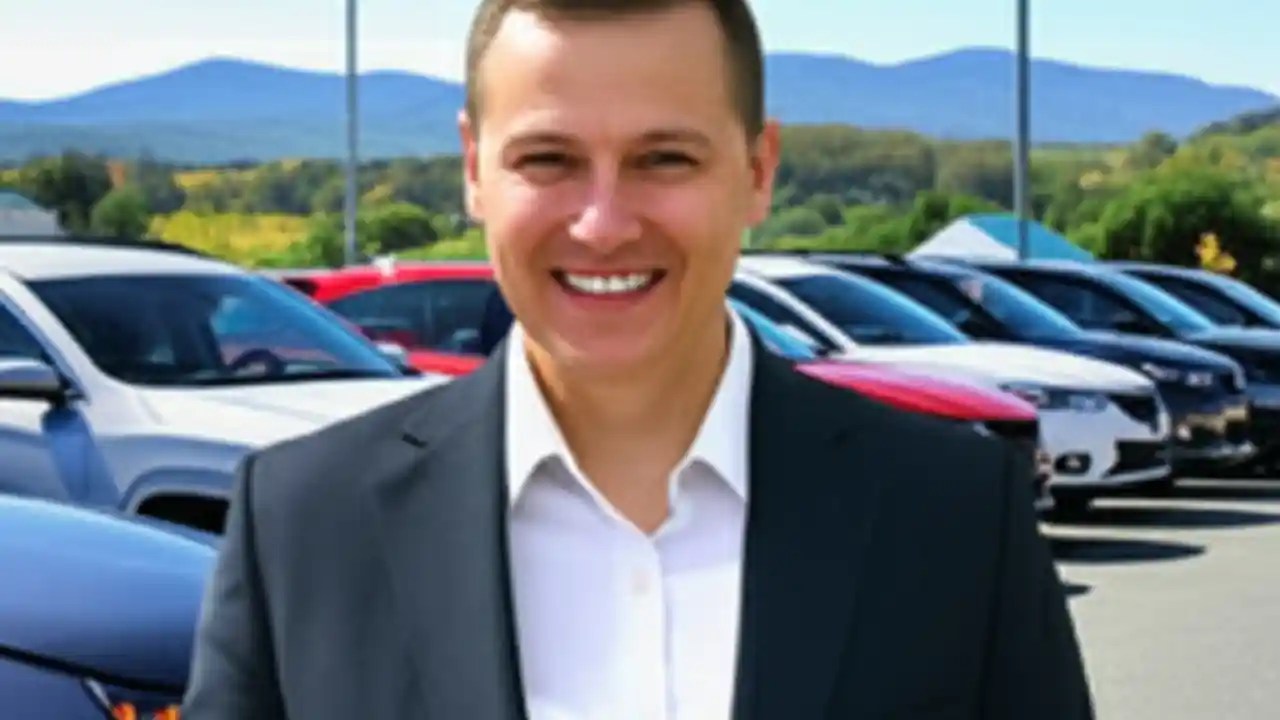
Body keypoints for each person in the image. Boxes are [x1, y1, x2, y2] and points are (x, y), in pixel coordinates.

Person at [182, 0, 1094, 718]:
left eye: (663, 158)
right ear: (472, 169)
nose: (604, 224)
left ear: (758, 169)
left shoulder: (955, 517)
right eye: (547, 158)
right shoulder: (303, 528)